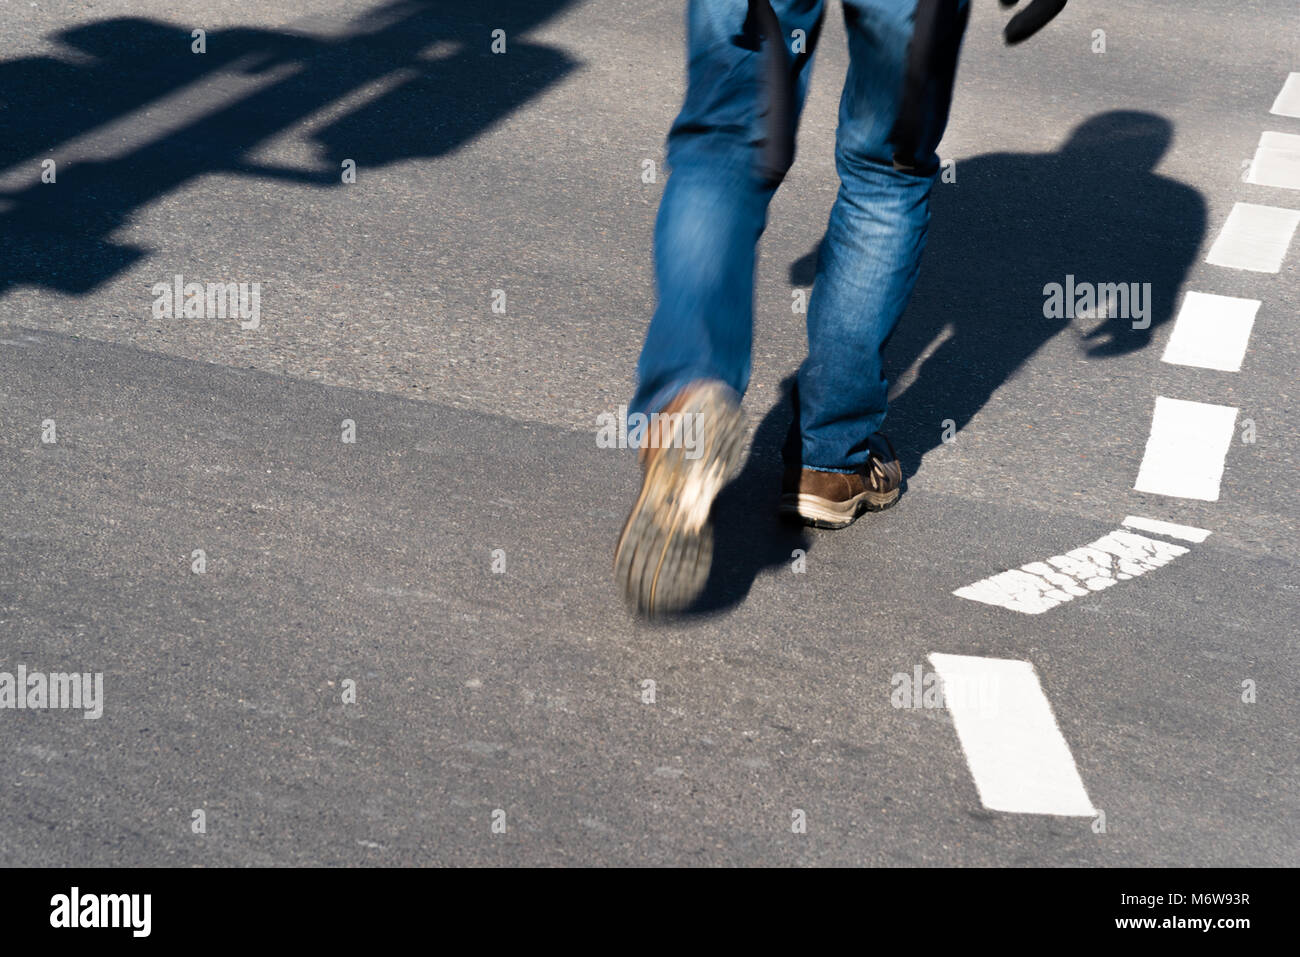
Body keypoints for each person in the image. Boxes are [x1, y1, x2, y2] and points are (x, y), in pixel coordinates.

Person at [615, 0, 1067, 615]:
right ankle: (828, 462)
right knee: (886, 173)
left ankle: (685, 394)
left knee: (722, 144)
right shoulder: (1169, 198)